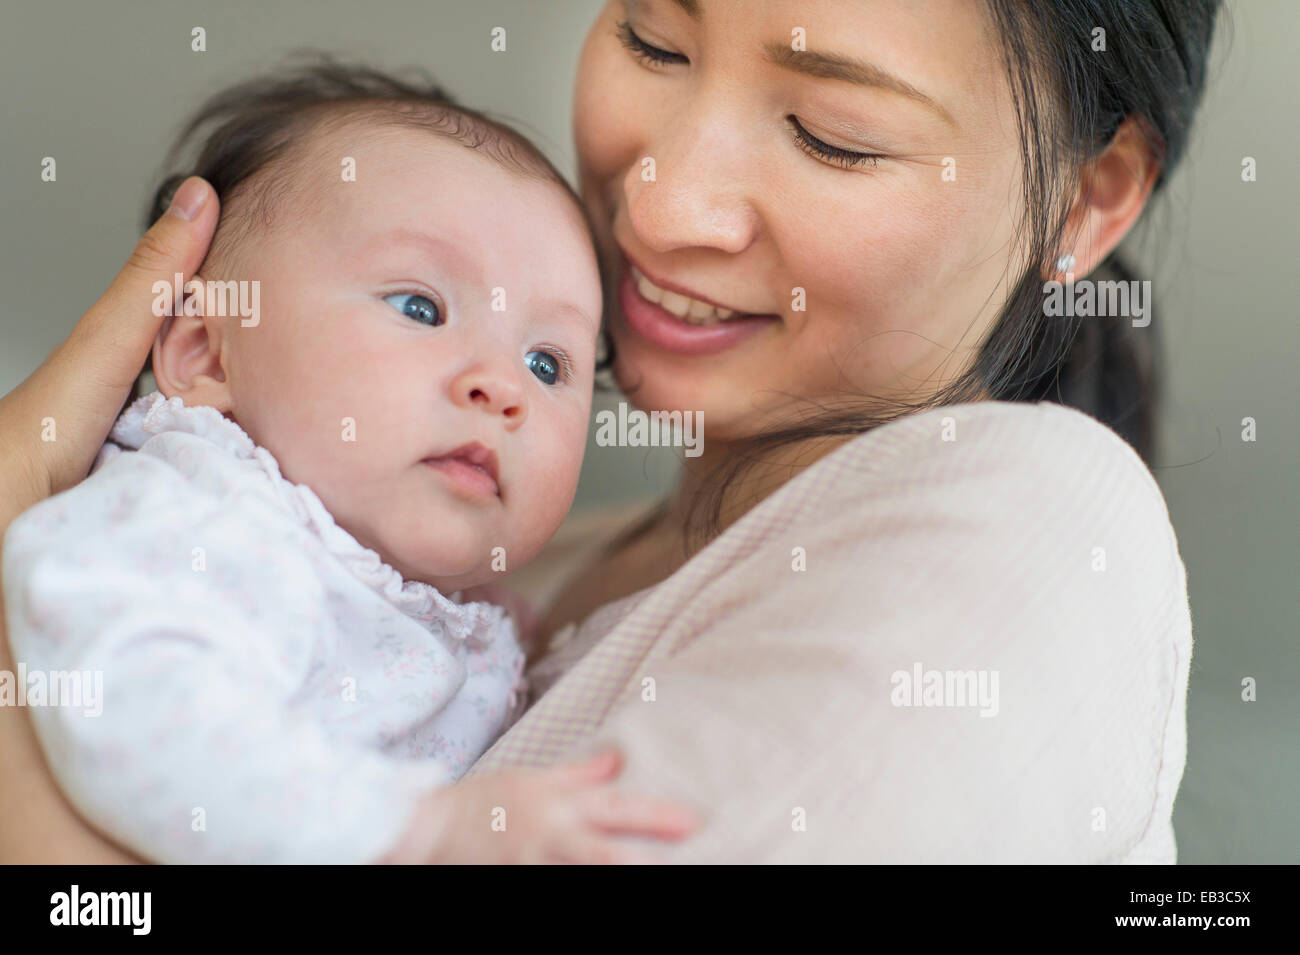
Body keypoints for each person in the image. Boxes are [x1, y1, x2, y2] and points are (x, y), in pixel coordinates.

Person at [0, 0, 1221, 862]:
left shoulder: (1030, 519)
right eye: (651, 34)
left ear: (1088, 198)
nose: (662, 200)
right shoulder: (474, 577)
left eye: (831, 134)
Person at [1, 62, 697, 864]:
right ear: (207, 354)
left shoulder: (480, 617)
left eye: (548, 363)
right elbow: (138, 704)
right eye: (420, 307)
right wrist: (419, 829)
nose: (503, 385)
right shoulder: (200, 516)